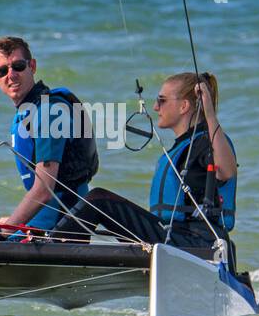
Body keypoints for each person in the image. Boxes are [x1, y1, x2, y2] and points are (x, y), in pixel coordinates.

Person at [52, 71, 237, 254]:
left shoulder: (208, 141)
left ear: (184, 106)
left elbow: (227, 171)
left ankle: (50, 250)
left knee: (98, 200)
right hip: (173, 237)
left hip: (195, 243)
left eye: (162, 100)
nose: (156, 107)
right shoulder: (184, 145)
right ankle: (58, 252)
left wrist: (210, 115)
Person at [0, 36, 99, 238]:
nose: (11, 75)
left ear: (32, 66)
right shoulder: (30, 111)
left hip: (62, 222)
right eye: (3, 70)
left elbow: (44, 191)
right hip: (50, 215)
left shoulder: (48, 113)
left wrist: (4, 232)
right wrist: (13, 221)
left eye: (18, 66)